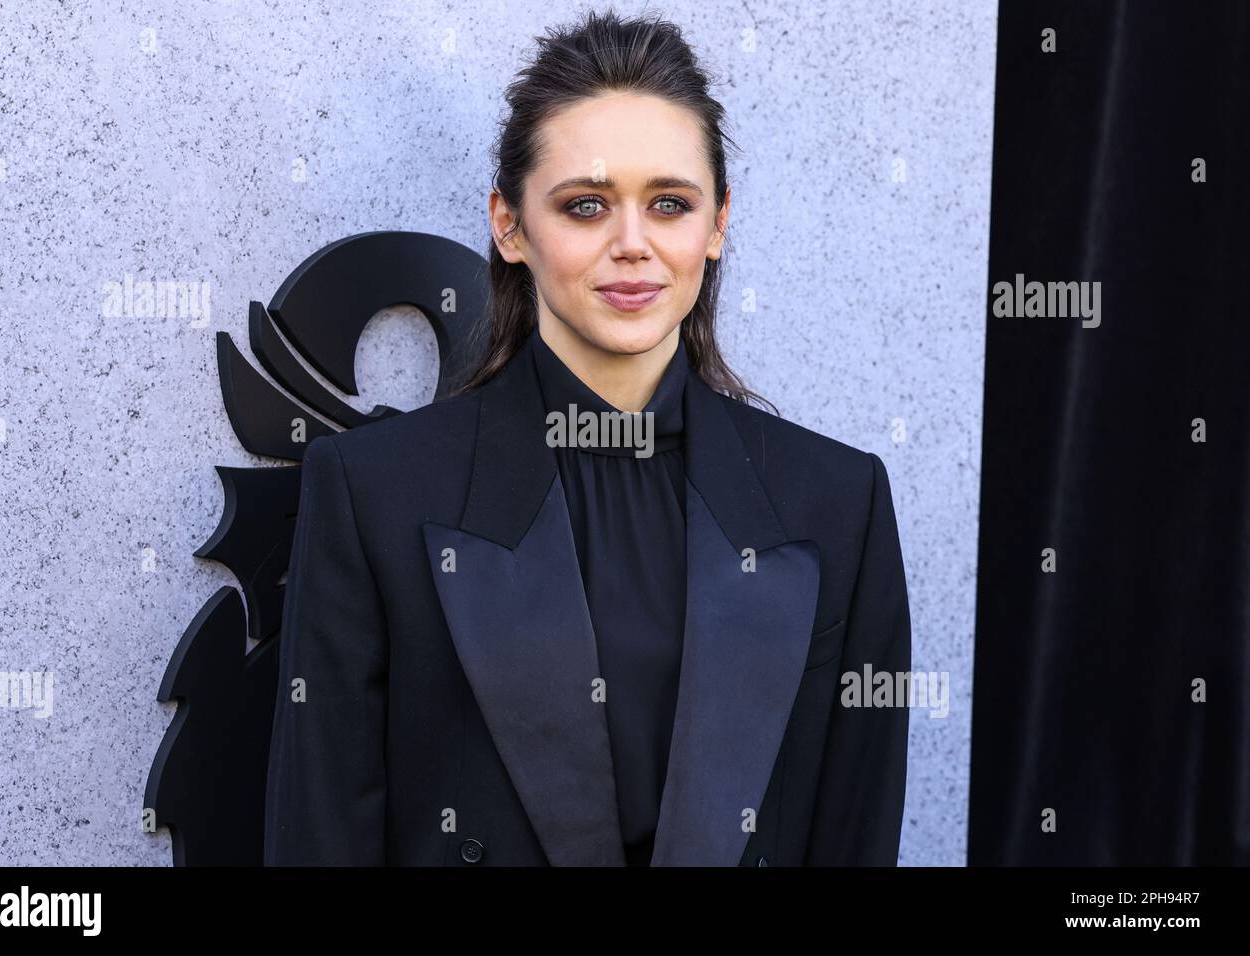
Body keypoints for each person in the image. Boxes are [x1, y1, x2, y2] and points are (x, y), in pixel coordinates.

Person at [264, 8, 911, 867]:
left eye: (670, 204)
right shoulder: (373, 491)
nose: (633, 246)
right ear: (509, 226)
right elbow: (321, 836)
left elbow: (852, 836)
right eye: (586, 206)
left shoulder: (837, 503)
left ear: (716, 224)